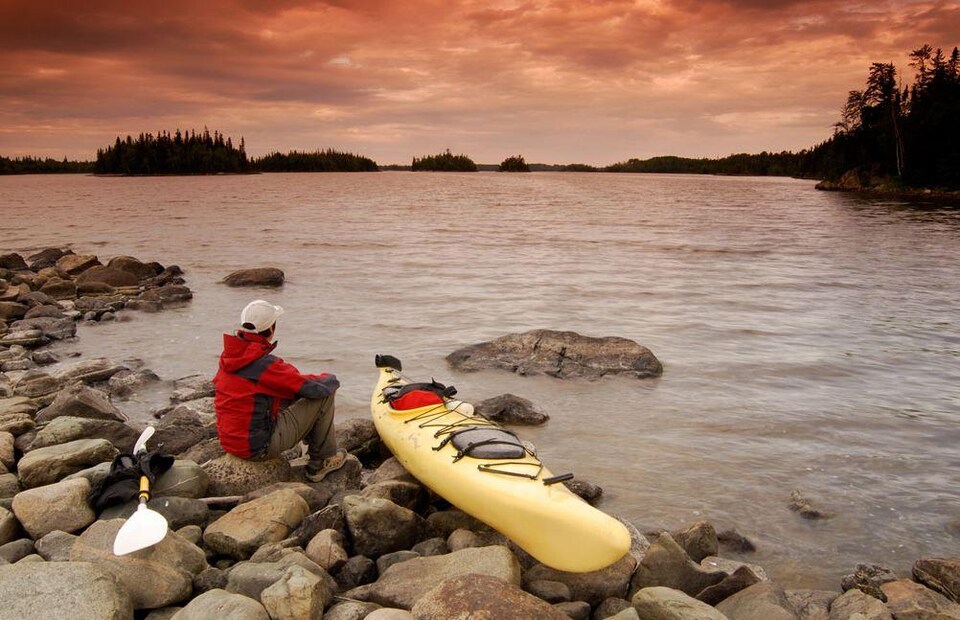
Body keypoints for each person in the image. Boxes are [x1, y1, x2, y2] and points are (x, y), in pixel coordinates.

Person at [214, 299, 346, 482]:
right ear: (271, 329)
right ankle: (321, 462)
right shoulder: (264, 364)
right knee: (324, 395)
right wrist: (331, 378)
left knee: (292, 395)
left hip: (231, 441)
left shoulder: (231, 356)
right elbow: (312, 389)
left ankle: (314, 445)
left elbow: (285, 385)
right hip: (257, 447)